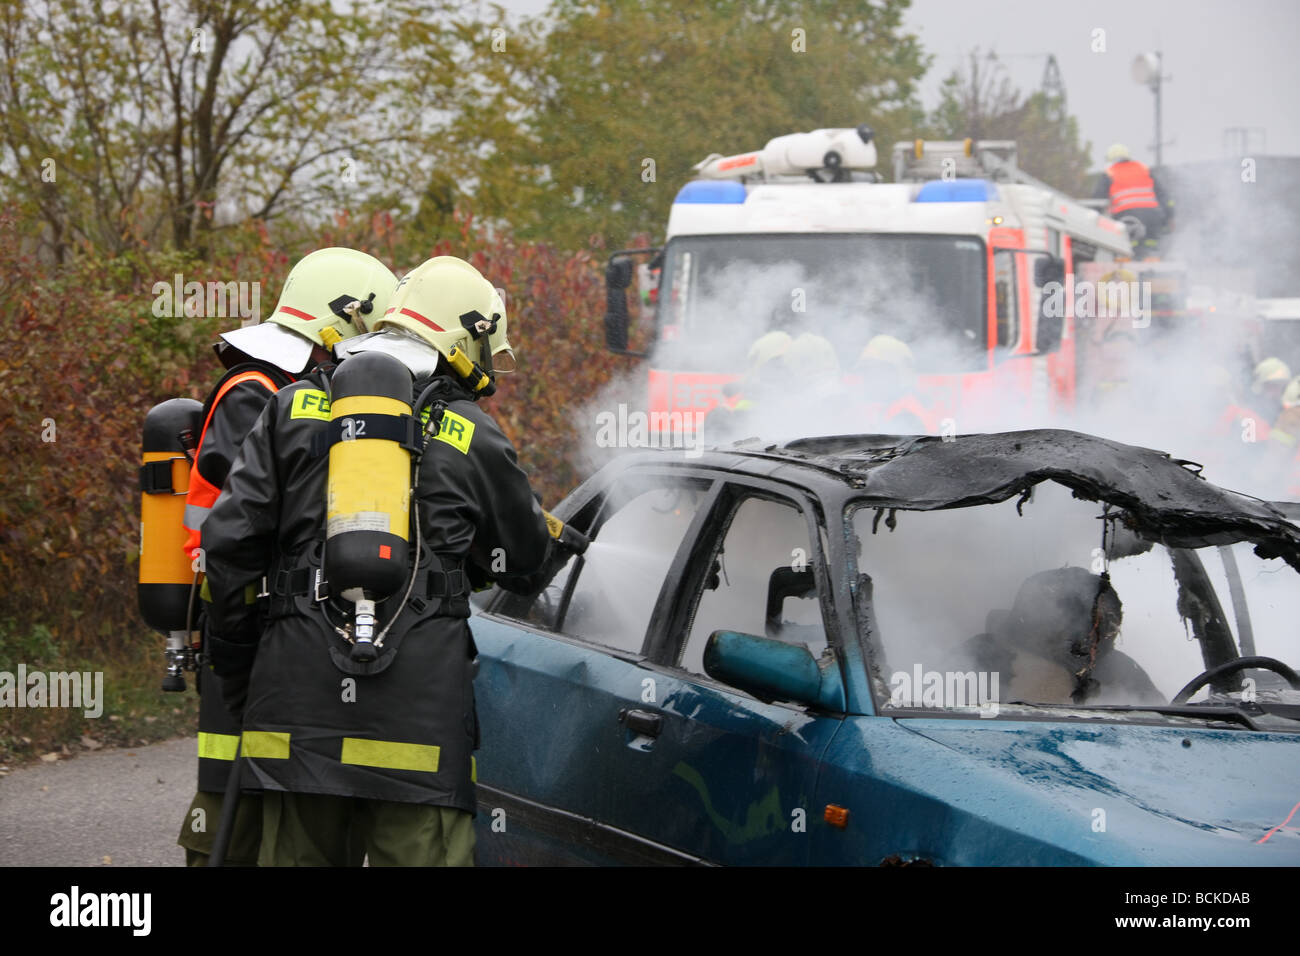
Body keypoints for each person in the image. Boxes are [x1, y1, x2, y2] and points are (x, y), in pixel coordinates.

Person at [200, 255, 553, 866]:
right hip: (416, 731)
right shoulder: (472, 432)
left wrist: (237, 665)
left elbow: (229, 544)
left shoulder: (290, 408)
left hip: (293, 715)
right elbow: (524, 559)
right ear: (466, 336)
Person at [177, 247, 398, 867]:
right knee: (232, 794)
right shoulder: (258, 389)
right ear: (344, 319)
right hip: (234, 610)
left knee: (272, 775)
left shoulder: (281, 387)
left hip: (264, 613)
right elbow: (245, 524)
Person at [1093, 144, 1171, 258]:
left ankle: (1134, 265)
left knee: (1130, 249)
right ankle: (1151, 262)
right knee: (1151, 248)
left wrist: (1092, 221)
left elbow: (1098, 200)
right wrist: (1169, 217)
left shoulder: (1110, 173)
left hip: (1127, 219)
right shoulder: (1144, 169)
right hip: (1152, 218)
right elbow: (1163, 195)